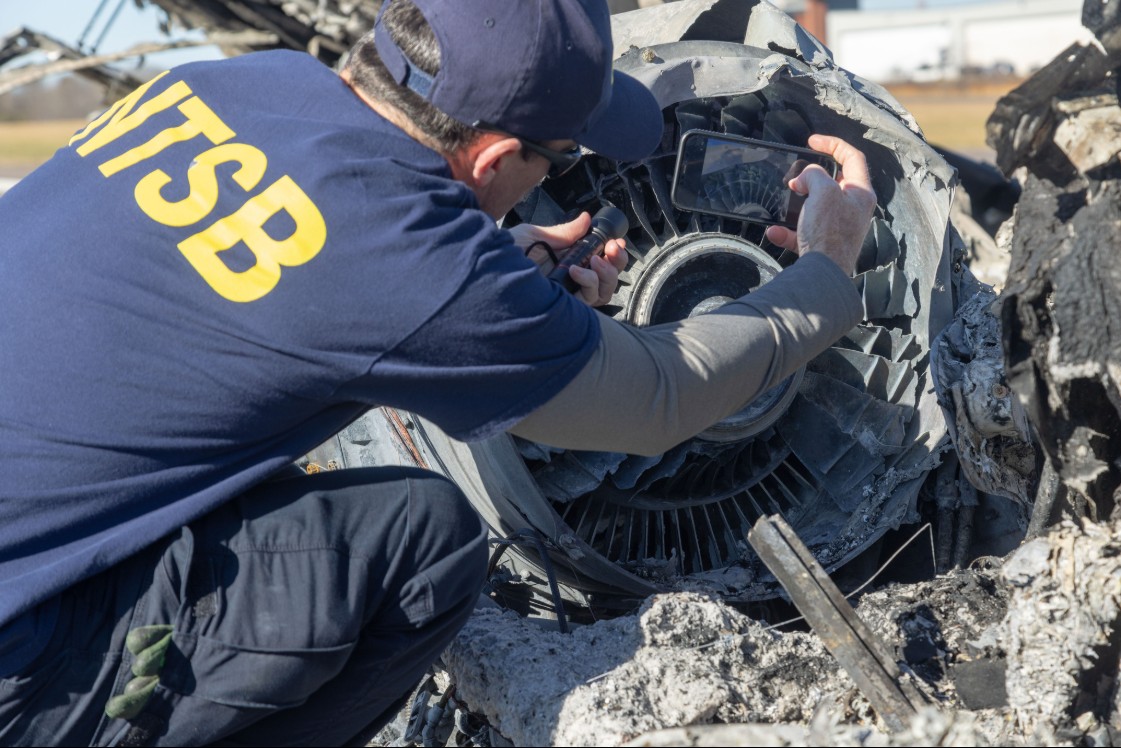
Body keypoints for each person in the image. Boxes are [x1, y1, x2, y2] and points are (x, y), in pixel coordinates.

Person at [0, 0, 875, 744]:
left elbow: (290, 266)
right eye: (558, 157)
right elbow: (662, 394)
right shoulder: (412, 272)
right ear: (496, 162)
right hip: (19, 658)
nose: (559, 174)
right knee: (424, 542)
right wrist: (828, 270)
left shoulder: (230, 85)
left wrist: (490, 273)